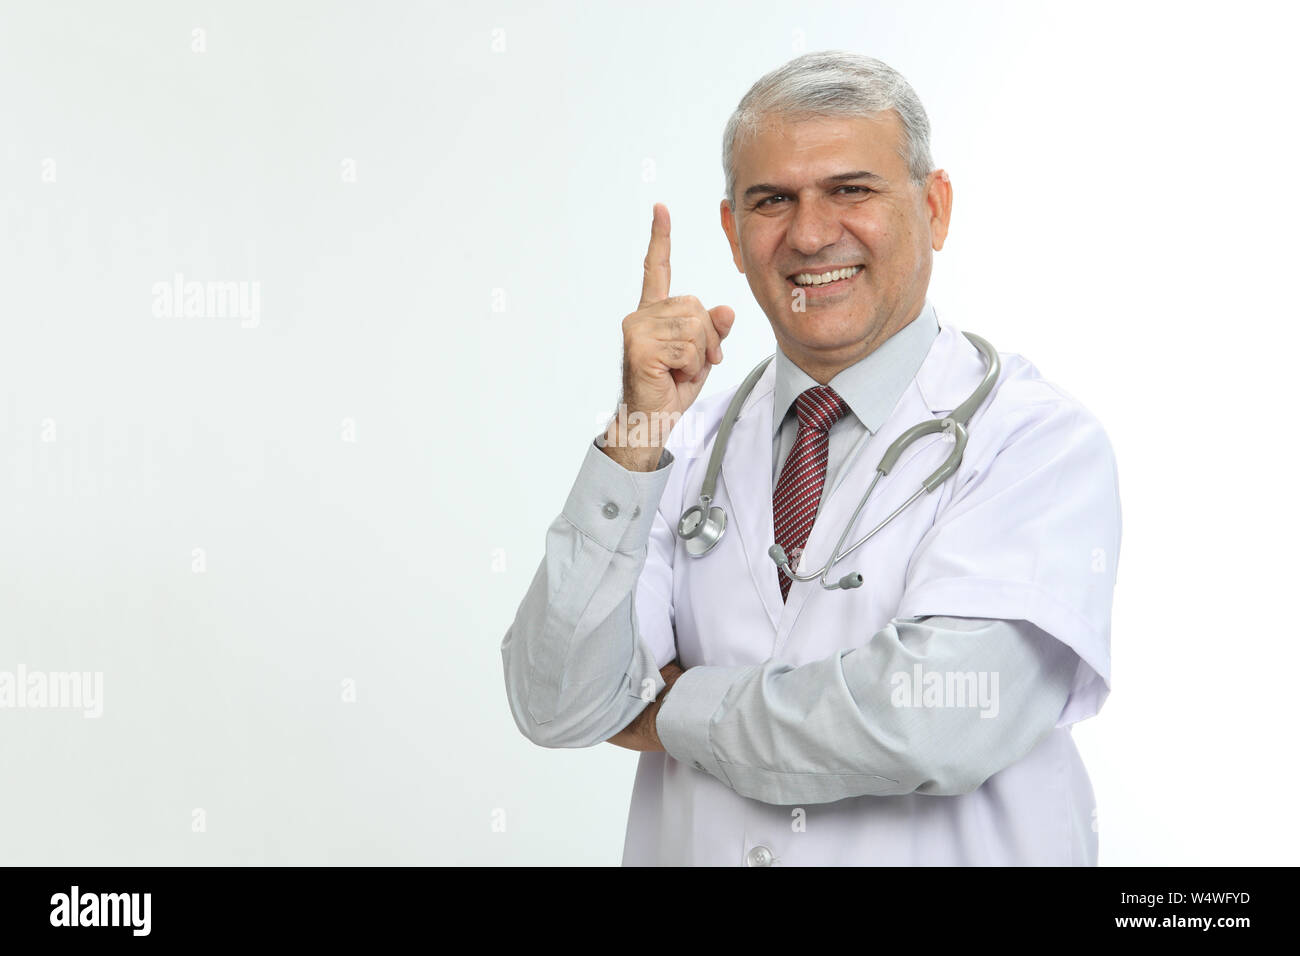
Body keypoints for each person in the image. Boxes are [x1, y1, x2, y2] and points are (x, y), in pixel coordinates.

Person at [500, 50, 1122, 866]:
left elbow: (931, 722)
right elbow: (555, 702)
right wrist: (638, 429)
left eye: (851, 189)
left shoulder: (1035, 444)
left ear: (933, 208)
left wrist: (673, 706)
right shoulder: (670, 446)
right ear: (732, 233)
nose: (811, 233)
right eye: (772, 200)